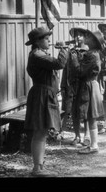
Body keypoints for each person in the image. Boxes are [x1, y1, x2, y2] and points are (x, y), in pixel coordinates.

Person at [24, 26, 68, 176]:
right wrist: (63, 48)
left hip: (44, 94)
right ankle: (37, 168)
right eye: (47, 39)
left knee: (42, 133)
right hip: (41, 95)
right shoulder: (37, 55)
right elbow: (59, 64)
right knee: (39, 132)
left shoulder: (40, 54)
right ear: (38, 41)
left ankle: (40, 166)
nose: (49, 42)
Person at [73, 29, 105, 154]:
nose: (86, 38)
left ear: (93, 42)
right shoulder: (93, 53)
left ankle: (94, 146)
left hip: (89, 86)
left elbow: (80, 71)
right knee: (91, 117)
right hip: (91, 85)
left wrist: (75, 58)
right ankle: (93, 144)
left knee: (91, 117)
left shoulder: (92, 55)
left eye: (89, 37)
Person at [59, 26, 90, 146]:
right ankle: (77, 135)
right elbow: (66, 70)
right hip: (72, 86)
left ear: (85, 37)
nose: (77, 37)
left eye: (80, 35)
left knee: (85, 111)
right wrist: (63, 86)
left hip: (84, 85)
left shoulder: (88, 51)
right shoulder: (70, 51)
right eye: (75, 35)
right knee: (74, 111)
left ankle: (86, 135)